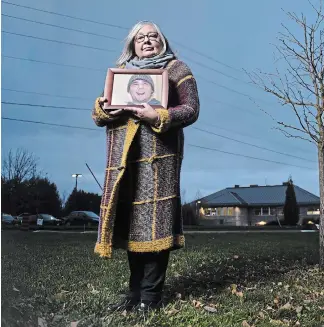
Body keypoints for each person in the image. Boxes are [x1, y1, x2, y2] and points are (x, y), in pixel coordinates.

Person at [91, 21, 199, 313]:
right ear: (132, 44)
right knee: (132, 227)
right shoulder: (121, 74)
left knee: (155, 227)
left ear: (162, 41)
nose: (148, 41)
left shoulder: (177, 69)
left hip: (158, 160)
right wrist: (103, 107)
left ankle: (150, 298)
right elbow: (100, 113)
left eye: (154, 36)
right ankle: (133, 294)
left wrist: (160, 114)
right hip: (124, 162)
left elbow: (191, 109)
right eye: (141, 38)